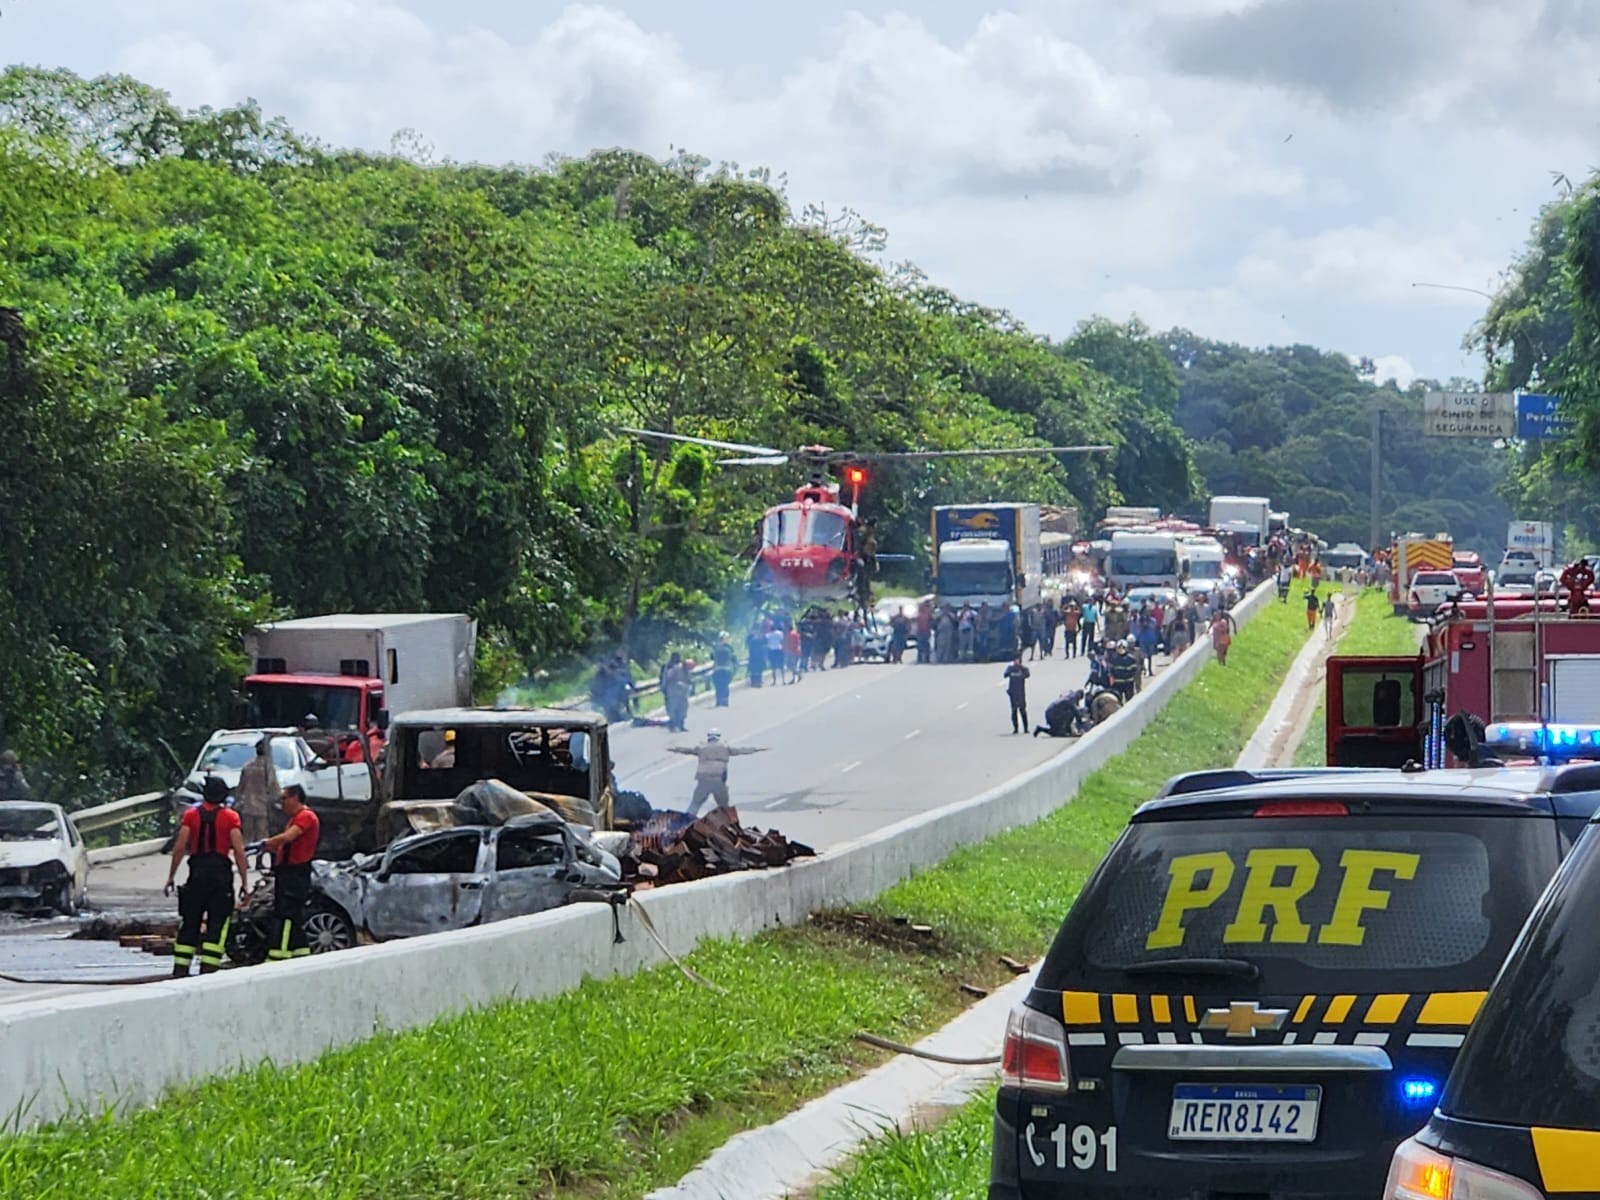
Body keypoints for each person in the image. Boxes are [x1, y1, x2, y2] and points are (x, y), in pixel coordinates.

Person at [164, 776, 249, 977]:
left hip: (197, 873)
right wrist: (244, 881)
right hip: (220, 875)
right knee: (218, 922)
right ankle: (209, 968)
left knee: (190, 921)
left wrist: (171, 876)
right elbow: (239, 851)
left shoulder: (192, 815)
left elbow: (179, 847)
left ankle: (181, 968)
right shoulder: (230, 817)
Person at [262, 784, 320, 963]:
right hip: (288, 872)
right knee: (293, 917)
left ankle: (278, 954)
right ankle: (301, 953)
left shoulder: (305, 817)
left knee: (285, 916)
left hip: (295, 873)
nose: (282, 803)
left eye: (284, 798)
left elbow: (288, 837)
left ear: (295, 797)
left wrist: (267, 843)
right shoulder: (294, 818)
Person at [671, 730, 768, 815]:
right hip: (718, 781)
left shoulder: (701, 747)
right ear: (719, 736)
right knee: (724, 807)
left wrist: (674, 749)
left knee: (695, 804)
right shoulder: (725, 747)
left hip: (703, 781)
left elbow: (687, 750)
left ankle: (685, 822)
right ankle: (731, 827)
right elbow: (741, 750)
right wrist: (755, 749)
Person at [235, 737, 279, 844]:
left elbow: (240, 788)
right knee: (262, 838)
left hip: (248, 807)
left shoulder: (247, 766)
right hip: (263, 808)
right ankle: (259, 860)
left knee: (247, 837)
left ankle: (246, 858)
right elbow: (273, 787)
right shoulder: (268, 768)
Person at [662, 654, 691, 732]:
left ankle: (680, 724)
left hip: (680, 689)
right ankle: (674, 725)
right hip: (673, 689)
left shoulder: (682, 666)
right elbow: (666, 677)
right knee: (674, 708)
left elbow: (688, 677)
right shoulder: (669, 667)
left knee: (682, 707)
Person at [1003, 656, 1031, 735]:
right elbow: (1005, 674)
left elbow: (1028, 674)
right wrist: (1011, 672)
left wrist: (1020, 668)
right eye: (1015, 660)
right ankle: (1016, 728)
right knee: (1014, 711)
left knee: (1023, 711)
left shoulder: (1023, 669)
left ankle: (1026, 728)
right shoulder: (1010, 668)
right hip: (1013, 693)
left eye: (1017, 660)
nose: (1016, 662)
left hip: (1021, 693)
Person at [711, 633, 735, 707]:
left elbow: (712, 657)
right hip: (726, 669)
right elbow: (733, 657)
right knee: (725, 685)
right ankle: (725, 700)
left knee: (718, 686)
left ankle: (718, 700)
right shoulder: (728, 648)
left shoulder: (716, 648)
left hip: (717, 669)